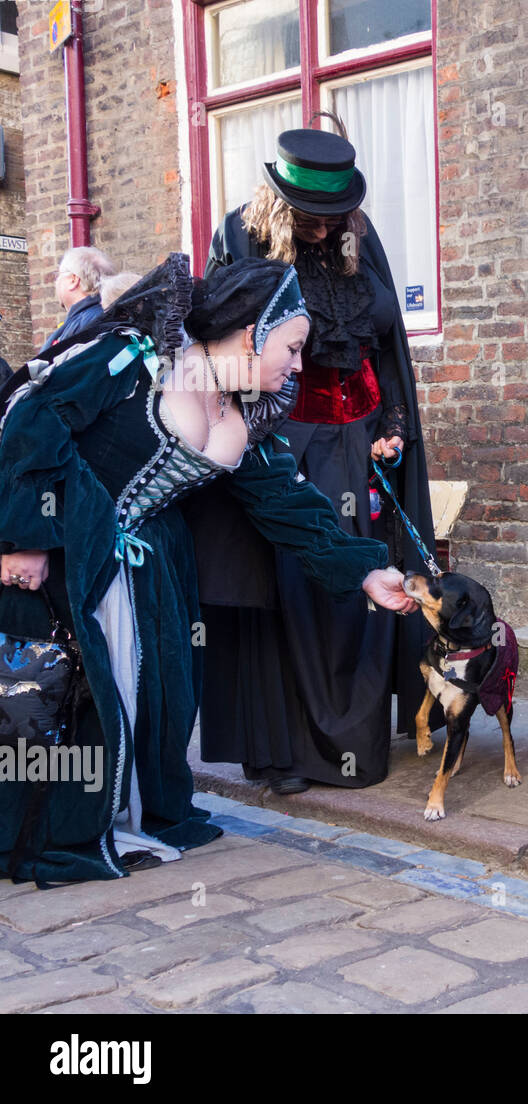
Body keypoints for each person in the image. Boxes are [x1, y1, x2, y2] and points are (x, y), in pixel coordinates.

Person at [0, 255, 416, 885]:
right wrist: (22, 536)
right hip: (69, 556)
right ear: (253, 331)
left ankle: (134, 817)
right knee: (59, 701)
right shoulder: (135, 357)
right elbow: (29, 414)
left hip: (150, 566)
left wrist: (363, 572)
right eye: (293, 347)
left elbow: (286, 503)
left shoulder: (245, 411)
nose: (298, 366)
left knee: (156, 695)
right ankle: (58, 828)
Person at [192, 124, 435, 795]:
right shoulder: (239, 237)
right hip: (280, 438)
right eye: (312, 220)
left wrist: (392, 422)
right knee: (288, 579)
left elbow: (384, 341)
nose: (326, 233)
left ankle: (353, 742)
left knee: (357, 574)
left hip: (356, 438)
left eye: (336, 219)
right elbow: (225, 352)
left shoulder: (359, 236)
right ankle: (286, 751)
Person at [37, 246, 115, 355]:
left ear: (73, 280)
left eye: (58, 275)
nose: (56, 282)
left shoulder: (88, 323)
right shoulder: (106, 315)